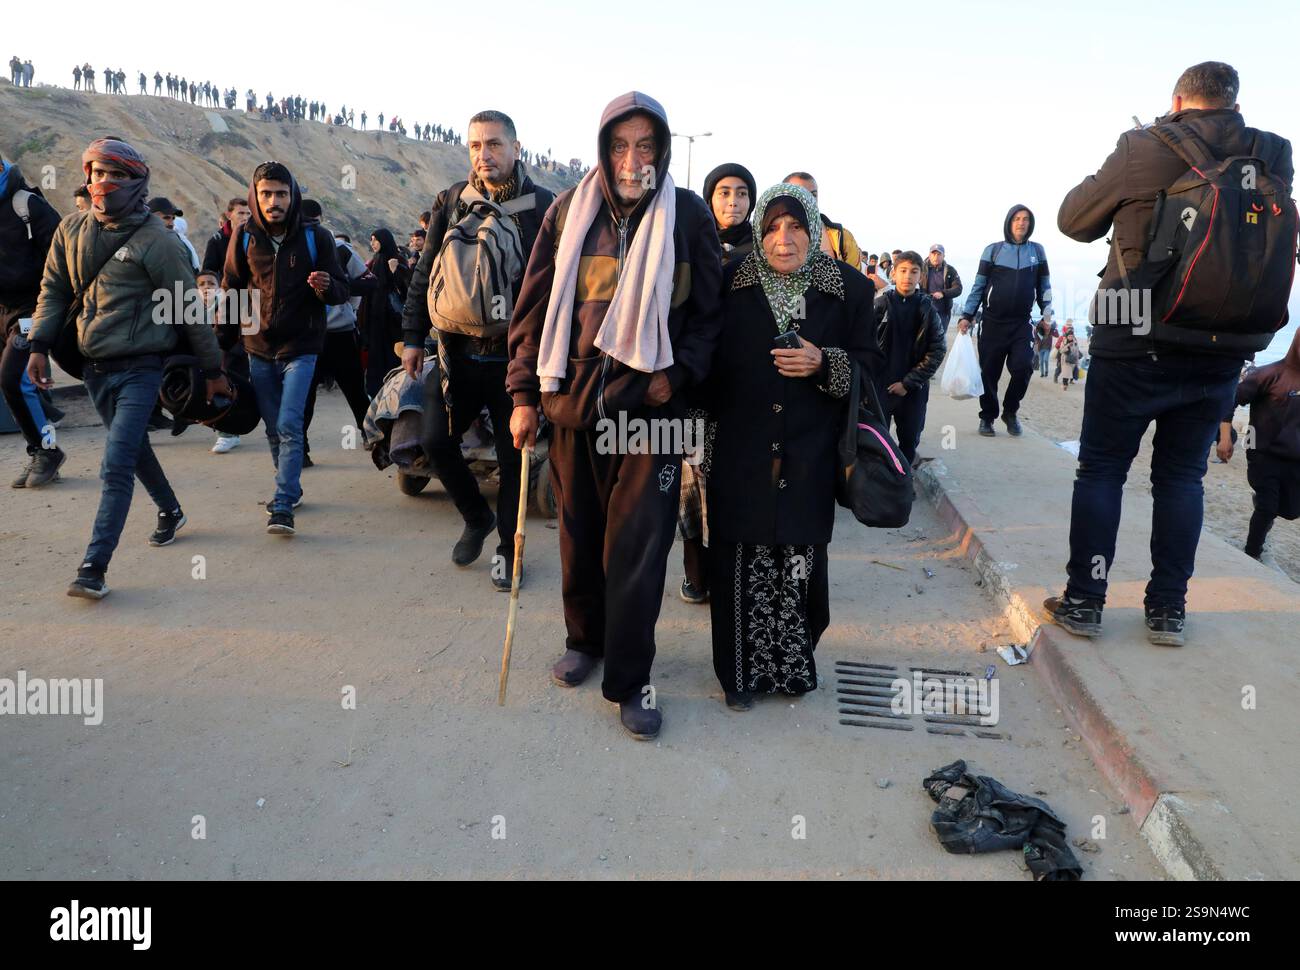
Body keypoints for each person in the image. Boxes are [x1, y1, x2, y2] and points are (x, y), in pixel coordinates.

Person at [1044, 61, 1293, 646]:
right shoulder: (1274, 153)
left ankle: (1085, 600)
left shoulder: (1144, 144)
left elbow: (1073, 220)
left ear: (1178, 99)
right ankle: (1167, 612)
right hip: (1225, 347)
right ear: (1234, 101)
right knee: (1182, 479)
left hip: (1132, 334)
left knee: (1102, 469)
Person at [506, 92, 724, 739]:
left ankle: (631, 678)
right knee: (578, 532)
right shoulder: (570, 211)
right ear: (605, 149)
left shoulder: (687, 215)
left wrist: (675, 374)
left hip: (652, 415)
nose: (633, 160)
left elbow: (709, 317)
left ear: (660, 152)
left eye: (646, 147)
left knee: (638, 547)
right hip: (574, 405)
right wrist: (522, 395)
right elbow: (535, 305)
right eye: (621, 146)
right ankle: (584, 639)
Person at [701, 183, 879, 710]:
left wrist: (825, 363)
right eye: (774, 226)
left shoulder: (848, 289)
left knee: (798, 561)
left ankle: (791, 669)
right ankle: (737, 676)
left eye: (797, 226)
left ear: (814, 229)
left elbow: (872, 371)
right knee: (738, 560)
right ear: (759, 231)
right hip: (739, 448)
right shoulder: (729, 281)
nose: (785, 238)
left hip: (809, 453)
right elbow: (701, 356)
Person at [26, 138, 230, 599]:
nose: (105, 183)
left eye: (116, 175)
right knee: (134, 449)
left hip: (142, 367)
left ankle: (93, 567)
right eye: (97, 172)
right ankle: (172, 510)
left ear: (137, 181)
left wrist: (214, 368)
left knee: (115, 463)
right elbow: (53, 289)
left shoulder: (157, 240)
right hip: (92, 367)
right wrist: (38, 344)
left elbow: (186, 310)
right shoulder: (70, 231)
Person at [400, 110, 555, 589]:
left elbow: (554, 283)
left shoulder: (543, 205)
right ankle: (475, 517)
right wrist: (411, 335)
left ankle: (509, 552)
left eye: (493, 144)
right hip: (455, 354)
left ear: (515, 148)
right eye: (474, 146)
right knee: (433, 440)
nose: (483, 155)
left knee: (513, 462)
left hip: (514, 359)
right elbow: (427, 269)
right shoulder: (452, 200)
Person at [220, 161, 350, 536]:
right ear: (255, 197)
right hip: (256, 346)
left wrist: (326, 286)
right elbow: (231, 290)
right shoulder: (244, 237)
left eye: (281, 193)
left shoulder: (317, 238)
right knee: (274, 428)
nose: (273, 201)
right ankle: (289, 488)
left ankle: (281, 504)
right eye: (266, 194)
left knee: (290, 424)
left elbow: (342, 289)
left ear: (292, 196)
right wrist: (218, 347)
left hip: (301, 346)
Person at [676, 162, 758, 605]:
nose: (733, 201)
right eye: (724, 192)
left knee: (734, 488)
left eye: (742, 193)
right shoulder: (689, 241)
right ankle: (696, 574)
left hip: (742, 391)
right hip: (694, 388)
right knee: (691, 484)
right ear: (709, 198)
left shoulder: (764, 253)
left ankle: (731, 578)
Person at [956, 205, 1053, 437]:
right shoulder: (993, 251)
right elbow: (979, 285)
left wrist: (1047, 316)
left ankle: (1010, 411)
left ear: (1031, 224)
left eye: (1026, 219)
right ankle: (987, 417)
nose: (1021, 223)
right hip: (992, 323)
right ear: (1009, 222)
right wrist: (967, 315)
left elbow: (1045, 287)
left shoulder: (1037, 252)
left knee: (1023, 367)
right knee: (989, 373)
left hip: (1021, 323)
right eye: (1017, 219)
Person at [1, 157, 67, 489]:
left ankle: (47, 452)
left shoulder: (27, 205)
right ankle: (43, 436)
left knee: (13, 377)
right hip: (3, 309)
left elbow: (64, 254)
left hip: (34, 308)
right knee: (10, 382)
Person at [298, 200, 375, 456]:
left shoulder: (339, 249)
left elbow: (368, 280)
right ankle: (300, 447)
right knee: (305, 395)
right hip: (306, 334)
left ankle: (370, 437)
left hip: (339, 334)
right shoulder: (289, 250)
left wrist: (338, 290)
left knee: (354, 390)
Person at [1222, 330, 1300, 561]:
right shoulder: (1268, 374)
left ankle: (1266, 503)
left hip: (1296, 458)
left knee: (1290, 510)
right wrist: (1225, 436)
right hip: (1262, 452)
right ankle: (1252, 553)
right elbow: (1230, 400)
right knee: (1267, 507)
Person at [873, 250, 945, 466]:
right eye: (903, 271)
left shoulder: (927, 310)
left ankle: (904, 482)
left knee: (909, 439)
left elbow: (937, 350)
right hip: (880, 388)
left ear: (921, 277)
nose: (908, 277)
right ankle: (881, 484)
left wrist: (908, 383)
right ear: (893, 274)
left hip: (913, 390)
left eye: (914, 272)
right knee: (877, 440)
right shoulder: (880, 306)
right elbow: (864, 345)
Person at [783, 172, 863, 270]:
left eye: (813, 194)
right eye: (800, 193)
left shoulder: (841, 237)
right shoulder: (768, 235)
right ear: (784, 197)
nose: (809, 199)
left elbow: (857, 280)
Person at [362, 228, 409, 396]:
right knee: (376, 358)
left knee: (393, 357)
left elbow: (408, 290)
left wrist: (395, 271)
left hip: (394, 323)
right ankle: (376, 395)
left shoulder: (397, 260)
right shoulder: (374, 262)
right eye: (371, 240)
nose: (372, 243)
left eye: (376, 240)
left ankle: (396, 393)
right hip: (376, 319)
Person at [202, 197, 252, 277]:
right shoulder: (217, 241)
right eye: (241, 213)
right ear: (229, 215)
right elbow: (209, 273)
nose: (245, 218)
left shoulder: (255, 238)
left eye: (248, 214)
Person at [924, 244, 963, 334]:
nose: (936, 257)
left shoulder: (950, 270)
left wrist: (943, 293)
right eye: (933, 254)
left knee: (938, 339)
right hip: (923, 310)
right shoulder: (921, 269)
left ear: (944, 256)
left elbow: (958, 288)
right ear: (929, 255)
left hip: (942, 312)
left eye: (939, 254)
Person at [1055, 322, 1080, 387]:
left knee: (1071, 370)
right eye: (1069, 335)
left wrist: (1077, 360)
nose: (1071, 337)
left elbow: (1076, 350)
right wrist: (1067, 346)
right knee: (1061, 369)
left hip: (1072, 359)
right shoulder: (1062, 339)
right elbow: (1060, 349)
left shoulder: (1075, 341)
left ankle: (1070, 381)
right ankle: (1058, 378)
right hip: (1063, 359)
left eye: (1072, 335)